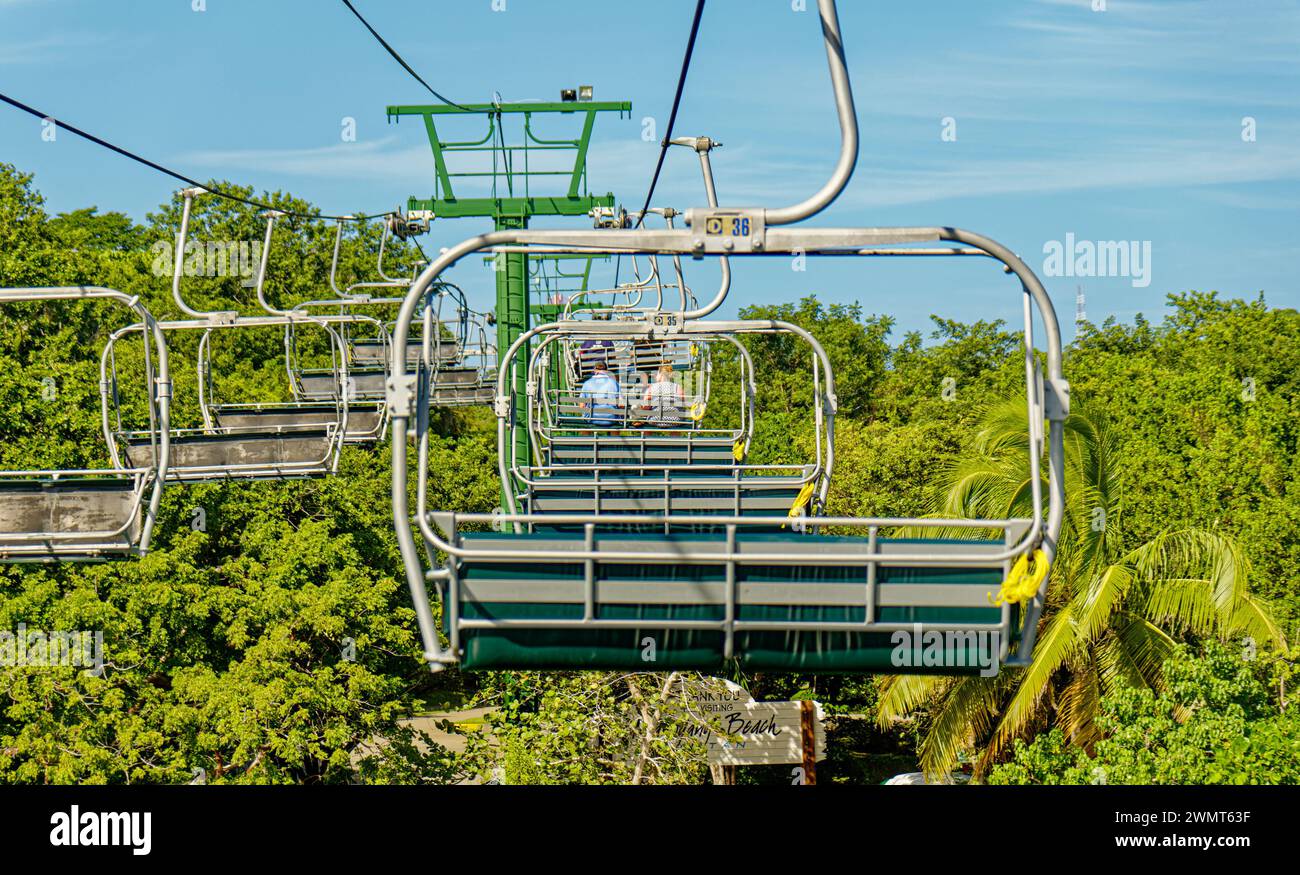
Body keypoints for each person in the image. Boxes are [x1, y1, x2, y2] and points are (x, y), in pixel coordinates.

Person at [578, 360, 621, 429]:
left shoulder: (587, 383)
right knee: (616, 417)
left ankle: (585, 439)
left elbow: (581, 406)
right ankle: (614, 439)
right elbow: (621, 404)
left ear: (595, 370)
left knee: (584, 422)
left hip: (592, 418)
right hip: (611, 418)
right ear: (606, 371)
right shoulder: (614, 383)